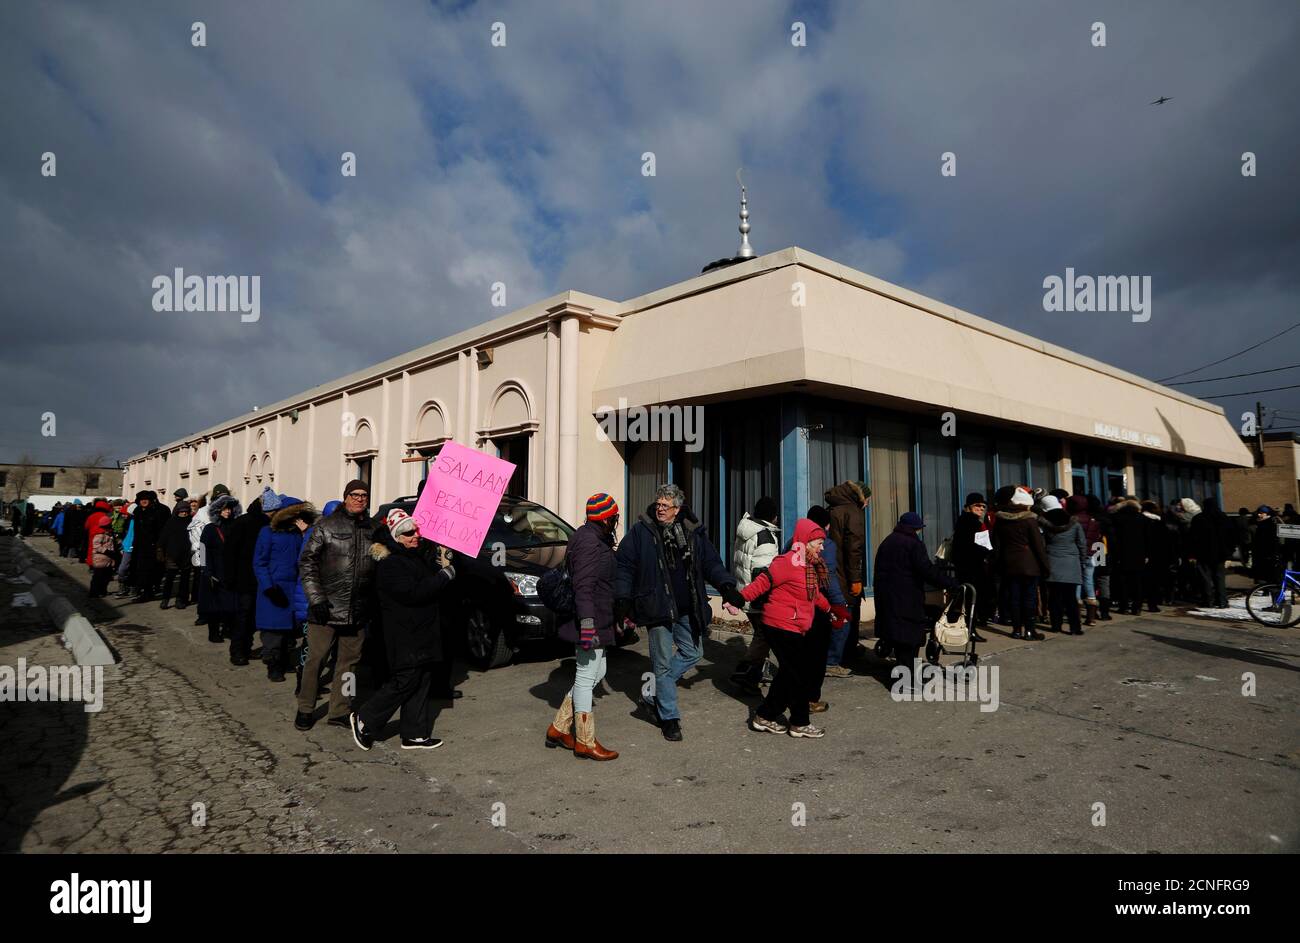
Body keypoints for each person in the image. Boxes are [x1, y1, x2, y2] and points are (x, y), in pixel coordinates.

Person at [613, 483, 741, 742]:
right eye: (658, 504)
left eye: (665, 506)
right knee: (661, 664)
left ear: (677, 509)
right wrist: (623, 598)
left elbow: (711, 563)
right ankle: (669, 718)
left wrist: (726, 586)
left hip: (687, 607)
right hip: (656, 606)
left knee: (694, 652)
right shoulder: (641, 532)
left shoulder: (692, 531)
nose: (660, 509)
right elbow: (624, 565)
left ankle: (652, 695)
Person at [350, 509, 456, 751]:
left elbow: (428, 579)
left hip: (423, 631)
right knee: (405, 680)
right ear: (397, 536)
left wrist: (444, 561)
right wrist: (443, 576)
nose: (416, 535)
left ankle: (414, 734)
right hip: (405, 633)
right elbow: (414, 593)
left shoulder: (412, 555)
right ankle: (366, 718)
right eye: (409, 533)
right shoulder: (391, 564)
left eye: (416, 530)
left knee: (421, 681)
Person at [737, 517, 847, 738]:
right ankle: (775, 717)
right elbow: (762, 583)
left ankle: (790, 720)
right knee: (795, 673)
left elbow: (814, 594)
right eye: (818, 543)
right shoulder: (786, 562)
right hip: (778, 625)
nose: (822, 547)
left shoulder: (808, 565)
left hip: (795, 626)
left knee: (794, 673)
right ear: (806, 542)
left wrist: (830, 610)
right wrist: (736, 600)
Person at [546, 493, 622, 760]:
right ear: (606, 518)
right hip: (590, 619)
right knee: (586, 676)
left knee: (596, 671)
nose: (616, 521)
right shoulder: (590, 543)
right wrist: (588, 624)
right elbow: (583, 587)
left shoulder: (591, 537)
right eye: (614, 516)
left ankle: (558, 728)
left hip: (598, 616)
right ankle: (586, 742)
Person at [296, 480, 377, 731]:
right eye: (355, 494)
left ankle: (341, 709)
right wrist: (316, 599)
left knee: (349, 665)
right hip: (326, 609)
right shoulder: (326, 526)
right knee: (316, 661)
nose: (360, 499)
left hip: (358, 610)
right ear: (345, 497)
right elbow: (307, 564)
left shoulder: (373, 529)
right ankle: (305, 708)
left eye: (364, 495)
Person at [872, 511, 959, 688]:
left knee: (900, 638)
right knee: (908, 641)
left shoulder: (888, 541)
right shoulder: (913, 544)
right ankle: (904, 683)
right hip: (906, 597)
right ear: (916, 528)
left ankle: (906, 677)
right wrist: (951, 583)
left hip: (888, 597)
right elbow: (926, 570)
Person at [252, 493, 316, 682]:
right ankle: (273, 665)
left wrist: (306, 533)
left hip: (294, 588)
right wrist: (268, 587)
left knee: (289, 631)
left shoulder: (299, 533)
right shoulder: (267, 532)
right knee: (273, 632)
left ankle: (286, 661)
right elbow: (260, 563)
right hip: (274, 589)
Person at [728, 496, 781, 694]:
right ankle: (745, 674)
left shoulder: (746, 531)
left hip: (744, 591)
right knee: (764, 636)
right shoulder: (765, 537)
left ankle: (754, 673)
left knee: (762, 636)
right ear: (772, 516)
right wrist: (767, 600)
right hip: (757, 597)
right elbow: (763, 573)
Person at [993, 488, 1049, 639]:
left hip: (1009, 564)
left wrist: (997, 565)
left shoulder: (1000, 520)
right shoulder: (1029, 520)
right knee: (1029, 598)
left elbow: (996, 546)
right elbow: (1038, 546)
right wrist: (1045, 566)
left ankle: (1016, 629)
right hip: (1029, 564)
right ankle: (1030, 630)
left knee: (1015, 598)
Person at [823, 480, 869, 657]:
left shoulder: (833, 509)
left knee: (835, 613)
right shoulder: (853, 512)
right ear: (861, 497)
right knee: (848, 613)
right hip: (846, 575)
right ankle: (839, 656)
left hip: (833, 571)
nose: (867, 504)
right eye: (867, 500)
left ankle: (838, 654)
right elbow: (854, 549)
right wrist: (856, 579)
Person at [225, 492, 271, 666]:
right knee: (244, 615)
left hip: (259, 578)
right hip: (244, 578)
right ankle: (237, 651)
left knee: (252, 617)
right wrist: (230, 578)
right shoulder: (243, 523)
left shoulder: (268, 524)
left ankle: (246, 648)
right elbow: (230, 553)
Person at [1040, 495, 1087, 634]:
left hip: (1052, 561)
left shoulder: (1044, 523)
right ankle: (1075, 628)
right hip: (1071, 562)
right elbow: (1082, 544)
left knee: (1054, 597)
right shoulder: (1074, 523)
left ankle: (1056, 626)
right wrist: (1082, 561)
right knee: (1071, 598)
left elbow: (1043, 544)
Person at [949, 492, 992, 638]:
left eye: (983, 506)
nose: (980, 508)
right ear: (968, 507)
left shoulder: (970, 521)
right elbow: (972, 546)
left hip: (969, 565)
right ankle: (970, 629)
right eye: (977, 505)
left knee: (968, 598)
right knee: (971, 599)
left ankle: (969, 627)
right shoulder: (971, 522)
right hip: (971, 566)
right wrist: (986, 551)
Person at [200, 495, 241, 643]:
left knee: (231, 604)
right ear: (217, 511)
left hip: (231, 572)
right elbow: (203, 551)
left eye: (229, 508)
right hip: (215, 572)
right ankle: (213, 632)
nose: (227, 512)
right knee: (214, 606)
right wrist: (206, 571)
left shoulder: (236, 527)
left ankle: (227, 629)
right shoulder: (210, 529)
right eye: (224, 509)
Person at [1186, 498, 1236, 609]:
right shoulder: (1224, 518)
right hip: (1220, 555)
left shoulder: (1198, 519)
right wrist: (1229, 554)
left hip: (1202, 554)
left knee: (1205, 579)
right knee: (1219, 578)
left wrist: (1192, 554)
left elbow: (1192, 538)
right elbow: (1231, 537)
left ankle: (1208, 600)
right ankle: (1222, 601)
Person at [1108, 496, 1148, 615]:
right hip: (1139, 554)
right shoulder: (1143, 519)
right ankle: (1137, 607)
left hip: (1122, 554)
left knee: (1123, 582)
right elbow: (1147, 538)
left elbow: (1114, 538)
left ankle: (1124, 606)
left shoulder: (1117, 519)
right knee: (1137, 582)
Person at [130, 491, 170, 602]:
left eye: (146, 499)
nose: (144, 501)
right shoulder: (138, 511)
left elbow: (163, 529)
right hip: (140, 545)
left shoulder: (160, 510)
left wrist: (161, 544)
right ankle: (146, 591)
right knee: (142, 570)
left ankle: (149, 591)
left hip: (155, 546)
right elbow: (136, 530)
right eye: (141, 499)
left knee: (154, 569)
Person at [158, 500, 194, 609]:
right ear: (177, 511)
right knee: (169, 578)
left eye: (186, 511)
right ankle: (165, 599)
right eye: (182, 511)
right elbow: (164, 537)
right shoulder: (171, 522)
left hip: (187, 554)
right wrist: (160, 549)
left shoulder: (192, 522)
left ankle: (181, 600)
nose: (184, 513)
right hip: (172, 554)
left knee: (184, 580)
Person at [1250, 506, 1281, 585]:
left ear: (1267, 514)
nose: (1259, 515)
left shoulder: (1269, 524)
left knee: (1271, 578)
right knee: (1268, 578)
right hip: (1265, 555)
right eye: (1258, 513)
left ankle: (1274, 594)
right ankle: (1268, 590)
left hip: (1268, 556)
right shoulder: (1262, 524)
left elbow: (1271, 541)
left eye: (1261, 513)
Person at [89, 527, 117, 597]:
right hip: (99, 560)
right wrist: (106, 551)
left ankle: (103, 591)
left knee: (106, 577)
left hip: (107, 560)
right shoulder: (99, 535)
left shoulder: (110, 535)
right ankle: (94, 592)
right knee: (98, 577)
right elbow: (96, 546)